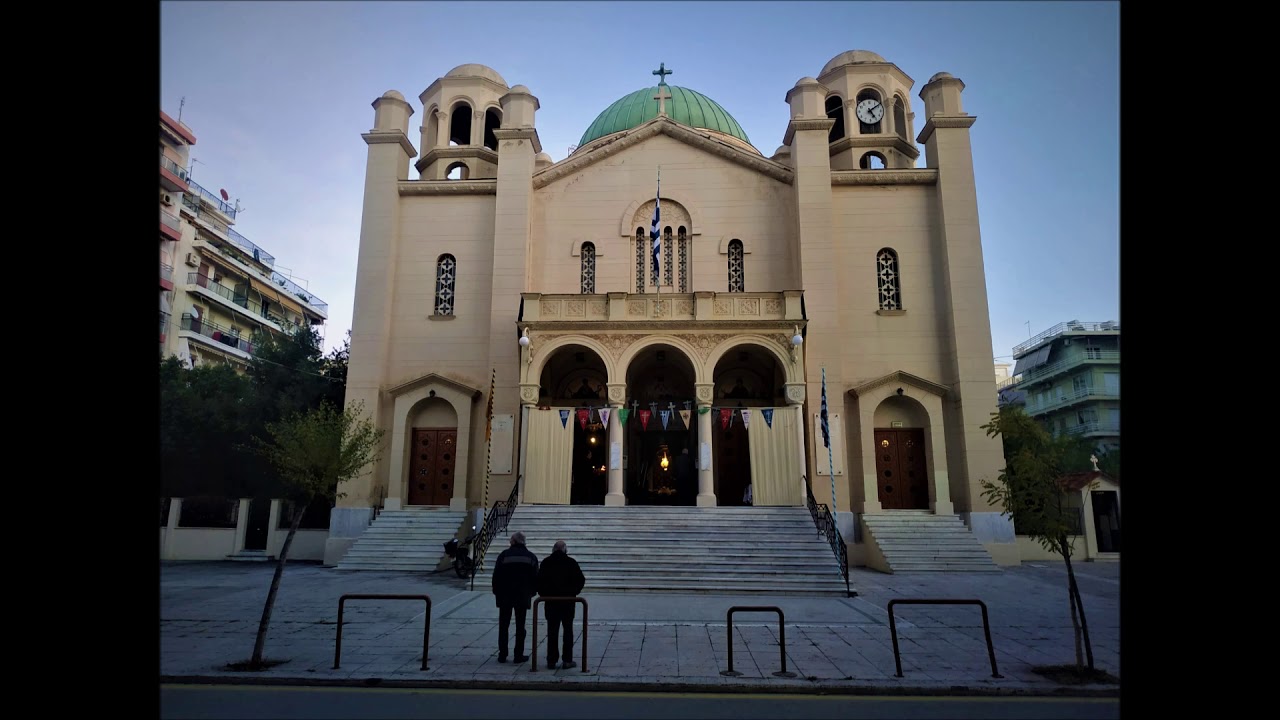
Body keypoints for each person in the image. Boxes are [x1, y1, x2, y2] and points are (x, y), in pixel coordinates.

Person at [536, 539, 586, 670]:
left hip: (551, 602)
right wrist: (573, 592)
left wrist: (544, 594)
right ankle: (567, 660)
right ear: (565, 550)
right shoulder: (571, 562)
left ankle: (551, 660)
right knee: (568, 630)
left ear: (553, 550)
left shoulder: (546, 562)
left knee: (552, 631)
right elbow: (580, 580)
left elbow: (539, 581)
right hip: (568, 602)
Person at [492, 531, 539, 663]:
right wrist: (532, 592)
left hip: (505, 596)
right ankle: (518, 654)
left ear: (512, 542)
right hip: (522, 596)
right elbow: (535, 577)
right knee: (520, 626)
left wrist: (497, 592)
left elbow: (496, 576)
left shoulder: (504, 556)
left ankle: (502, 654)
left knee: (503, 626)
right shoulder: (531, 557)